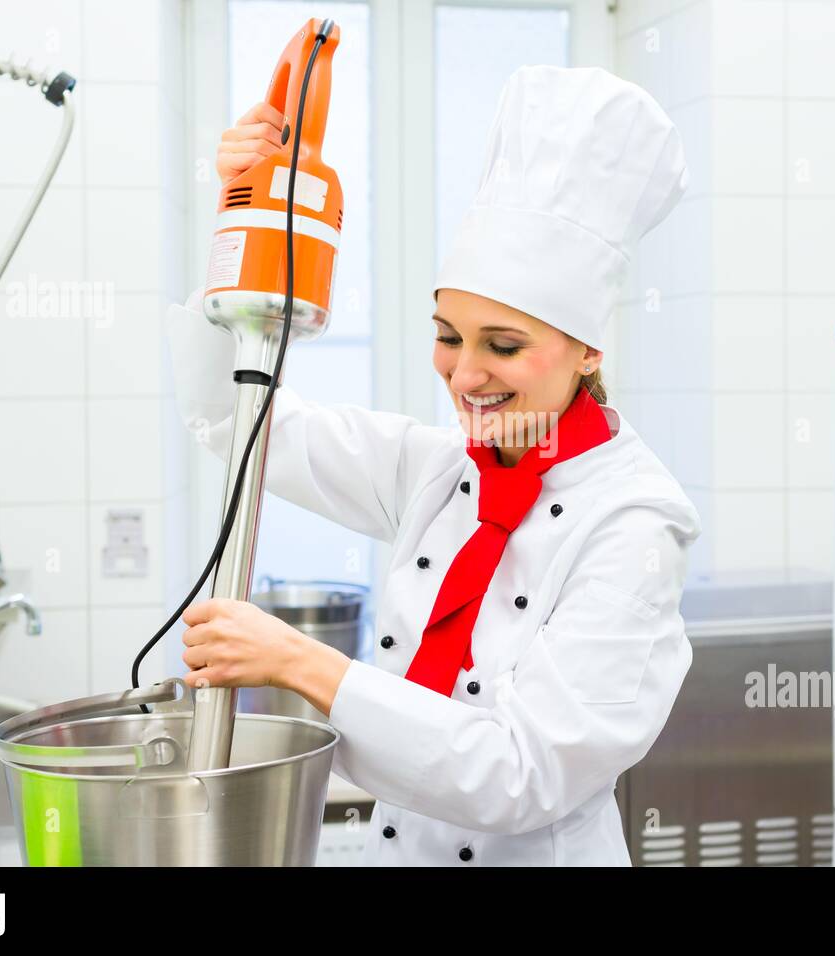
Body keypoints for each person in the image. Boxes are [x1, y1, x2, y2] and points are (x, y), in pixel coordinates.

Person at [166, 65, 699, 866]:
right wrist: (238, 224)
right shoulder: (438, 468)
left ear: (588, 349)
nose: (463, 374)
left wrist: (299, 662)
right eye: (448, 335)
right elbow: (235, 423)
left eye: (503, 345)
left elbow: (519, 776)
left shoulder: (634, 527)